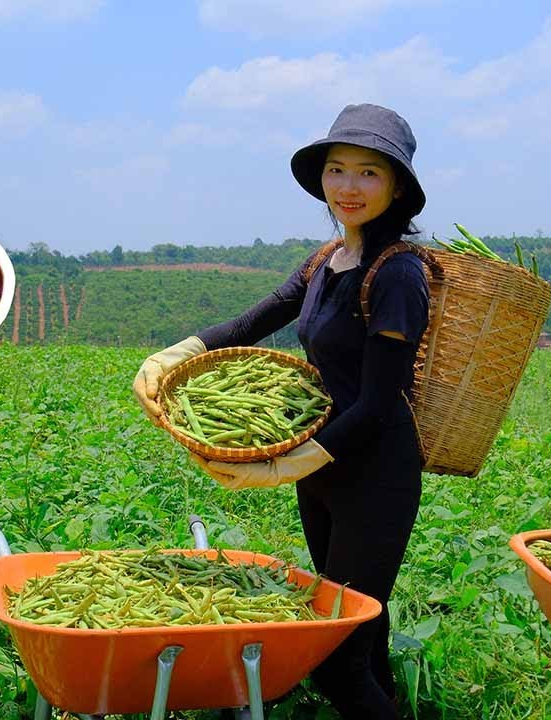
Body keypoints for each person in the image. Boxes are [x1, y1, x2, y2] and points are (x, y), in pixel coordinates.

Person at [133, 103, 431, 719]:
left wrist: (281, 467)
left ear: (397, 185)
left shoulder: (398, 273)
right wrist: (172, 354)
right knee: (356, 625)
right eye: (337, 169)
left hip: (374, 473)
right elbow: (252, 322)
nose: (348, 187)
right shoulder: (329, 260)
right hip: (323, 471)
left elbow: (379, 403)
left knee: (335, 658)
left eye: (369, 173)